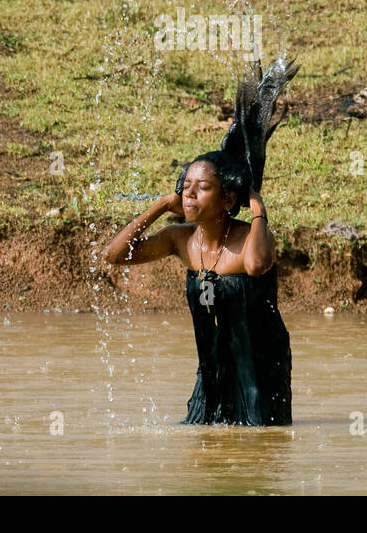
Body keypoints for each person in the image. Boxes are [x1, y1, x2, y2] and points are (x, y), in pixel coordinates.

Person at [101, 59, 298, 426]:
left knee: (259, 446)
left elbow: (255, 266)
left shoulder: (252, 237)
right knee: (203, 441)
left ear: (227, 199)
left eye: (202, 188)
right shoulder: (181, 240)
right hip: (211, 368)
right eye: (186, 187)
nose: (189, 195)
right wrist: (161, 205)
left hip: (260, 370)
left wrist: (258, 210)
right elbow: (114, 255)